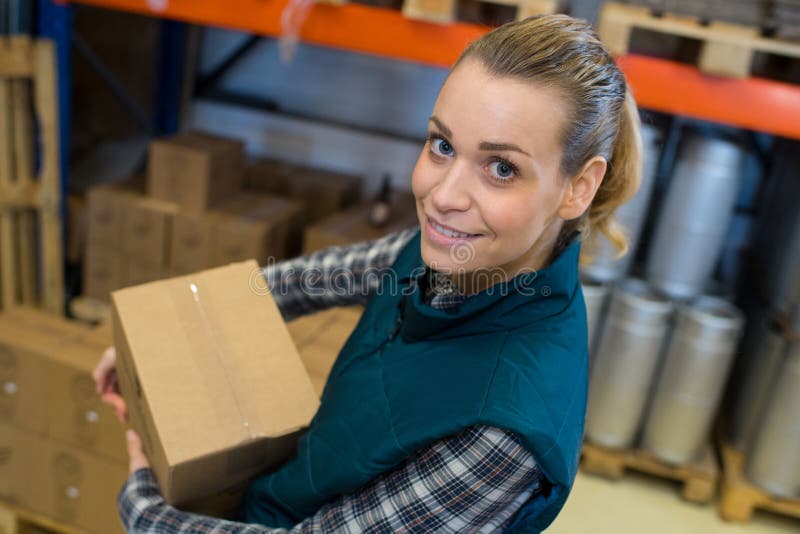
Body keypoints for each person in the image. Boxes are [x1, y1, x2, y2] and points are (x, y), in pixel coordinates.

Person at [94, 14, 642, 533]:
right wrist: (161, 339)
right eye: (442, 145)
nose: (442, 195)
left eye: (502, 169)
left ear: (578, 188)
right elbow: (306, 280)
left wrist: (142, 508)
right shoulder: (452, 256)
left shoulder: (503, 437)